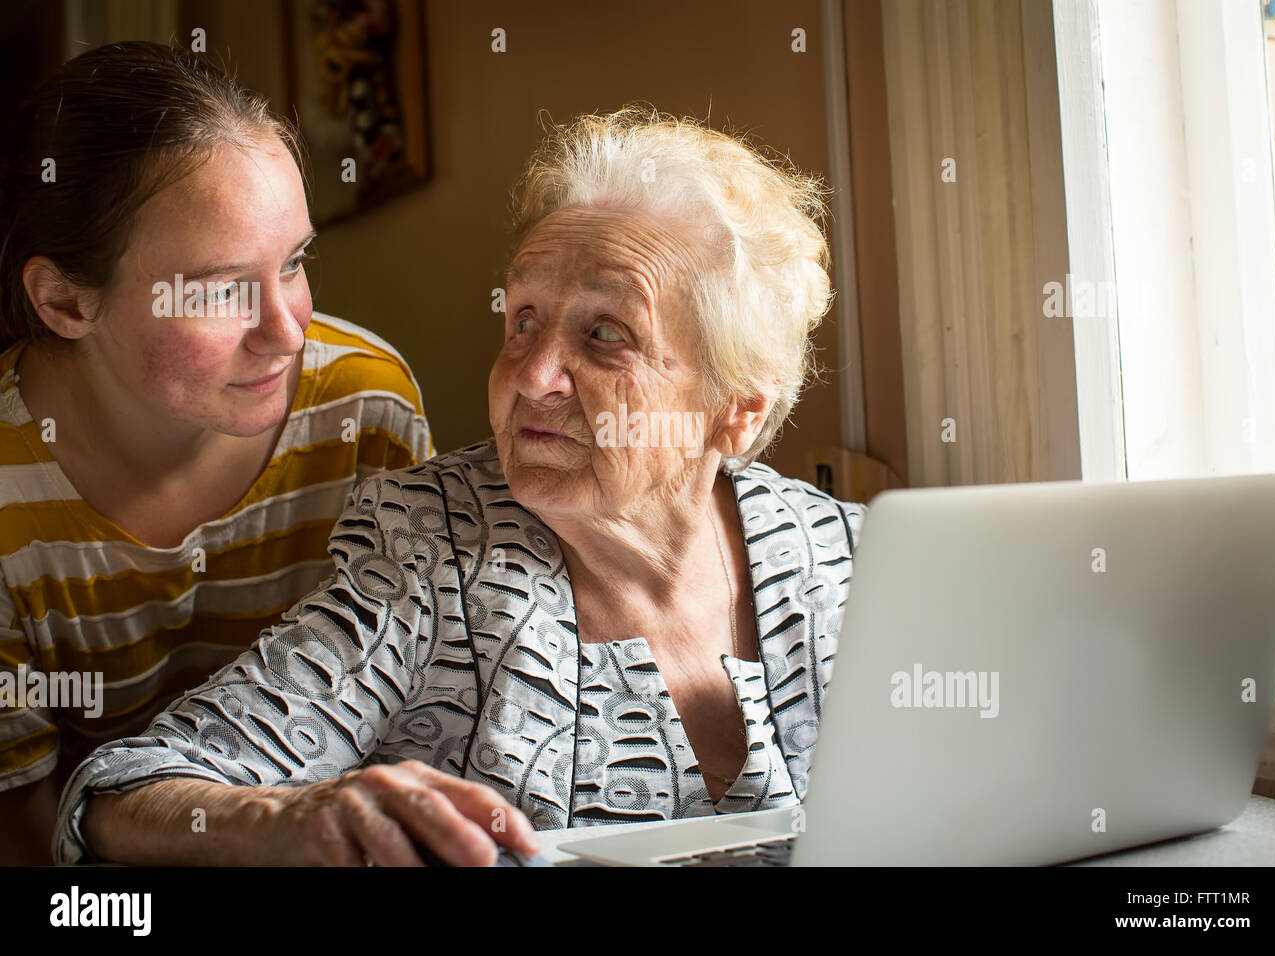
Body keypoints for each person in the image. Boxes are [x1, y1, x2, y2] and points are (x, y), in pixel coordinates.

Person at [53, 108, 863, 867]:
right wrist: (290, 815)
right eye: (523, 320)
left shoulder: (852, 557)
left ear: (735, 413)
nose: (535, 375)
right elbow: (124, 789)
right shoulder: (430, 552)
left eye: (604, 334)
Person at [0, 41, 433, 864]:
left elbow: (410, 719)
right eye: (220, 290)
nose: (287, 331)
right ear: (63, 301)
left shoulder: (365, 410)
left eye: (296, 263)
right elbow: (21, 834)